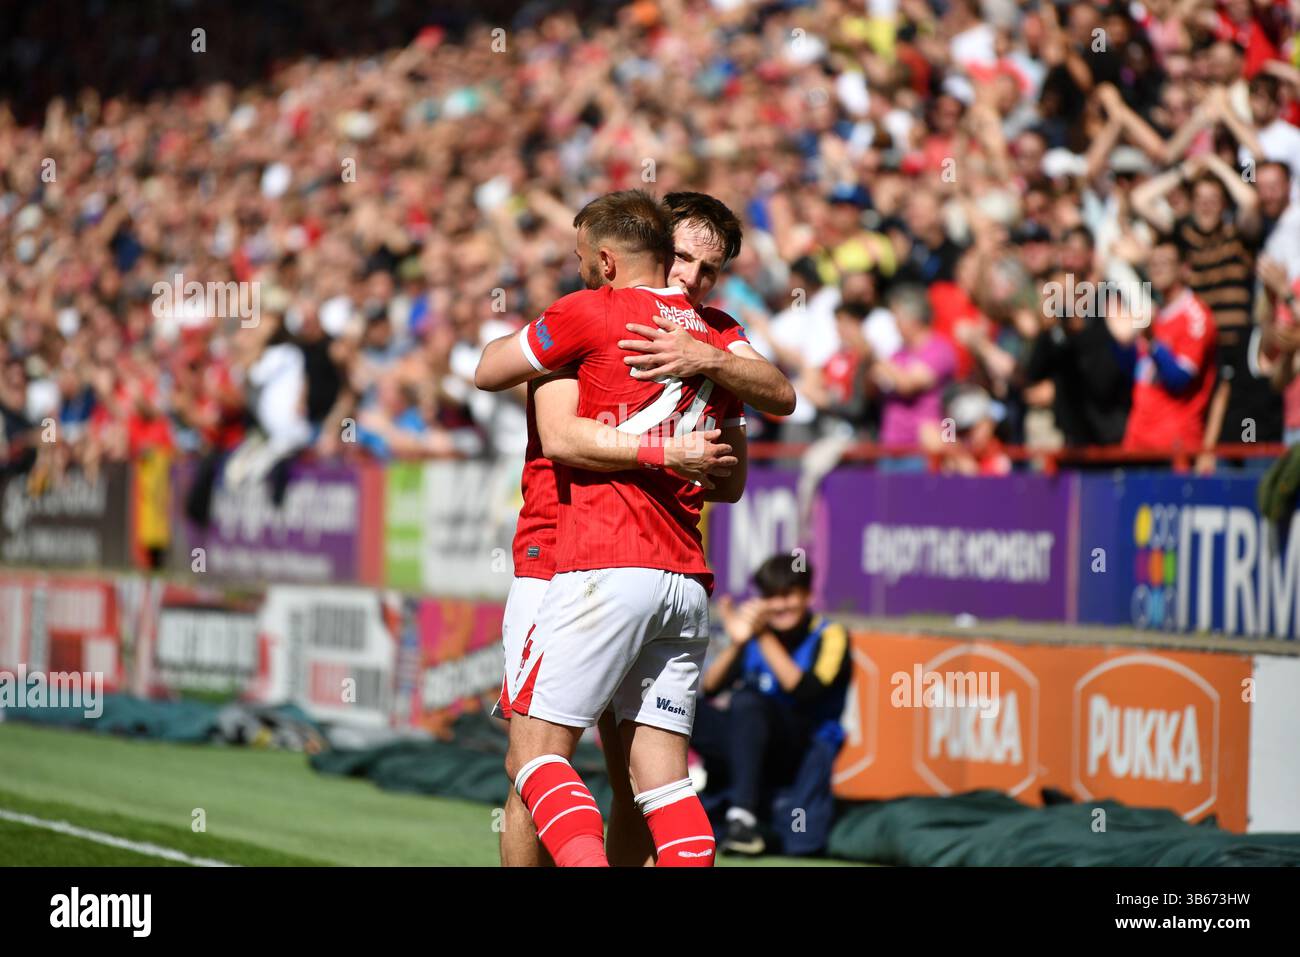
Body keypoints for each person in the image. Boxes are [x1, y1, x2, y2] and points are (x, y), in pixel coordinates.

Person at [479, 191, 792, 868]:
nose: (691, 279)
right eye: (682, 258)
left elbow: (758, 431)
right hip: (559, 549)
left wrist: (703, 356)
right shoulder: (592, 313)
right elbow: (560, 435)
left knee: (579, 768)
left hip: (609, 563)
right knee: (542, 765)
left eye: (709, 271)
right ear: (653, 244)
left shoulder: (710, 336)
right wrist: (672, 448)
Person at [693, 555, 850, 857]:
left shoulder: (830, 634)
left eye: (787, 595)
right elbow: (711, 688)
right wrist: (738, 642)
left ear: (807, 595)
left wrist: (761, 634)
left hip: (802, 746)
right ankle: (668, 803)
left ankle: (742, 818)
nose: (779, 606)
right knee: (688, 711)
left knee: (749, 703)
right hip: (752, 743)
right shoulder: (752, 638)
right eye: (770, 597)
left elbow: (805, 690)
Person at [1115, 239, 1218, 454]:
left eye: (1166, 262)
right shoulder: (1155, 314)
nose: (1158, 268)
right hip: (1138, 442)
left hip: (1174, 445)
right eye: (1153, 263)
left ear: (1184, 269)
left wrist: (1153, 344)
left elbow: (1180, 379)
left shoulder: (1195, 316)